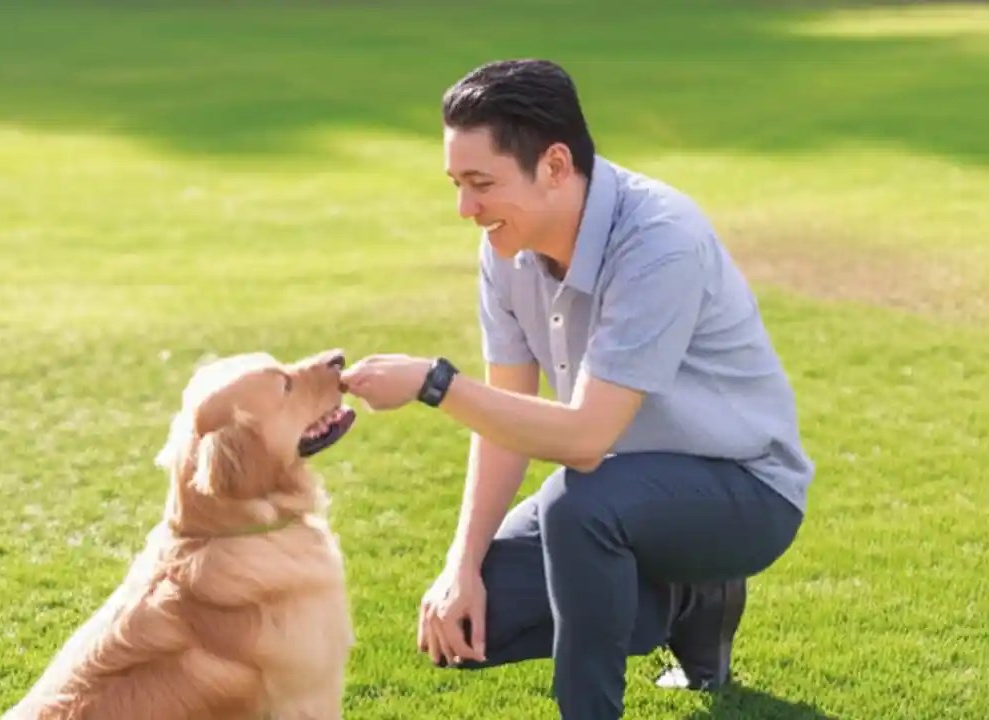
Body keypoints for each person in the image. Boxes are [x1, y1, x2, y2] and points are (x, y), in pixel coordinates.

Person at [340, 58, 813, 720]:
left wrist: (433, 383)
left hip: (744, 493)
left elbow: (586, 441)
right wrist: (462, 566)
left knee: (576, 502)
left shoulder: (659, 242)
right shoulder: (506, 248)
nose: (464, 209)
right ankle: (689, 598)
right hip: (622, 495)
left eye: (481, 184)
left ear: (556, 165)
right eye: (456, 184)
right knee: (475, 624)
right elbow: (509, 423)